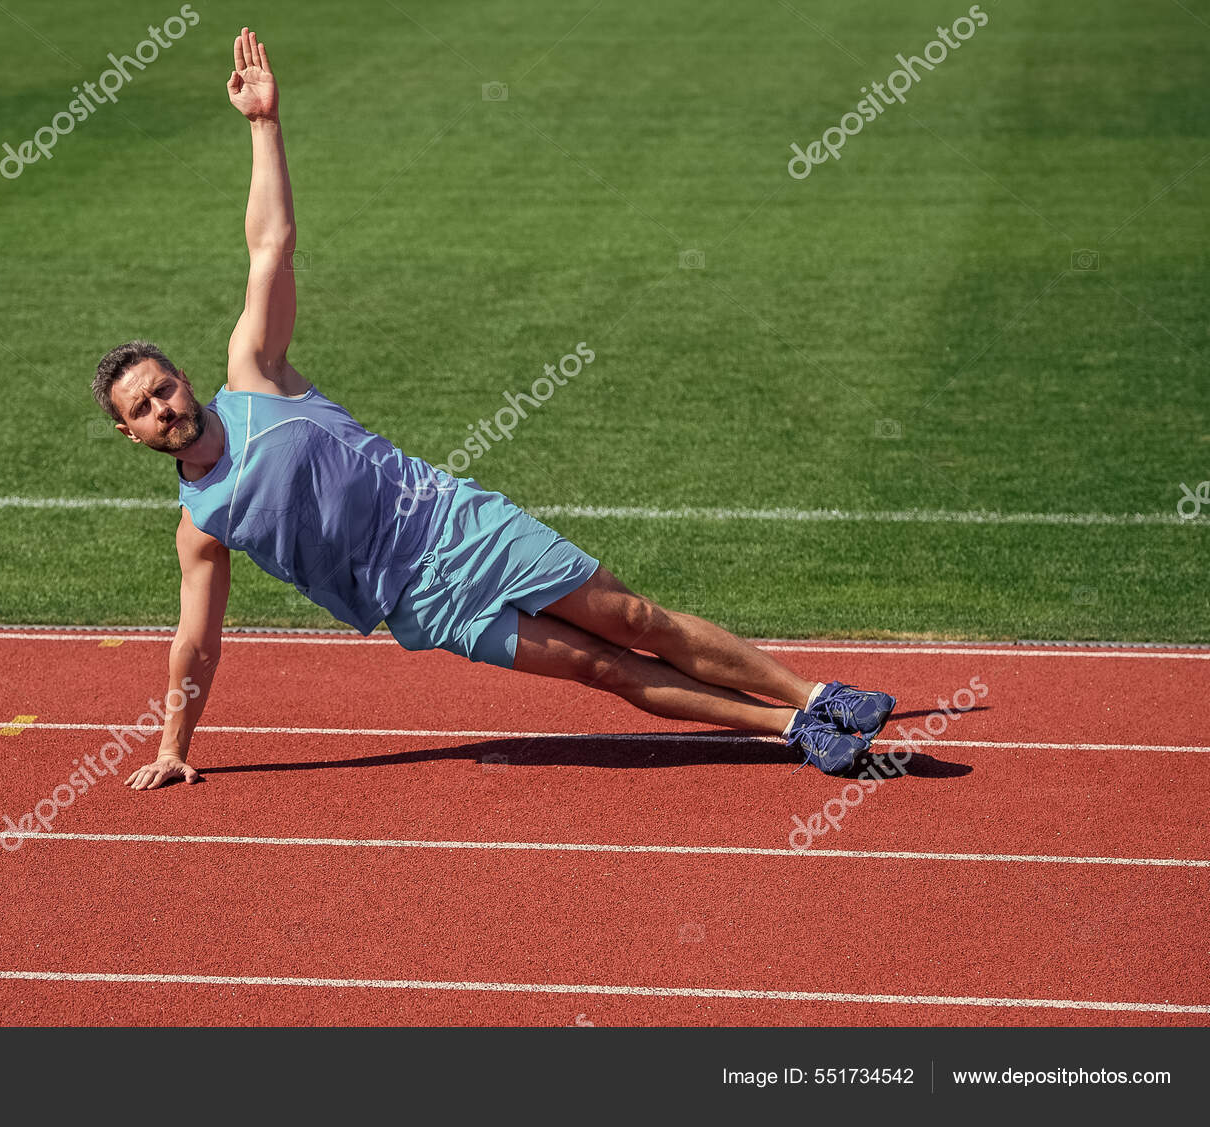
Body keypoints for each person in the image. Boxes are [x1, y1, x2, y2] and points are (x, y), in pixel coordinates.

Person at [91, 28, 896, 791]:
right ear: (130, 434)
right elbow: (196, 643)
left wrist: (265, 125)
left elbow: (270, 247)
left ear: (184, 379)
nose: (163, 406)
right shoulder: (202, 524)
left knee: (633, 618)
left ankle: (819, 692)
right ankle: (794, 728)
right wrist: (172, 746)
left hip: (455, 524)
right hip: (423, 601)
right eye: (144, 408)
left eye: (163, 386)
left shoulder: (256, 375)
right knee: (599, 667)